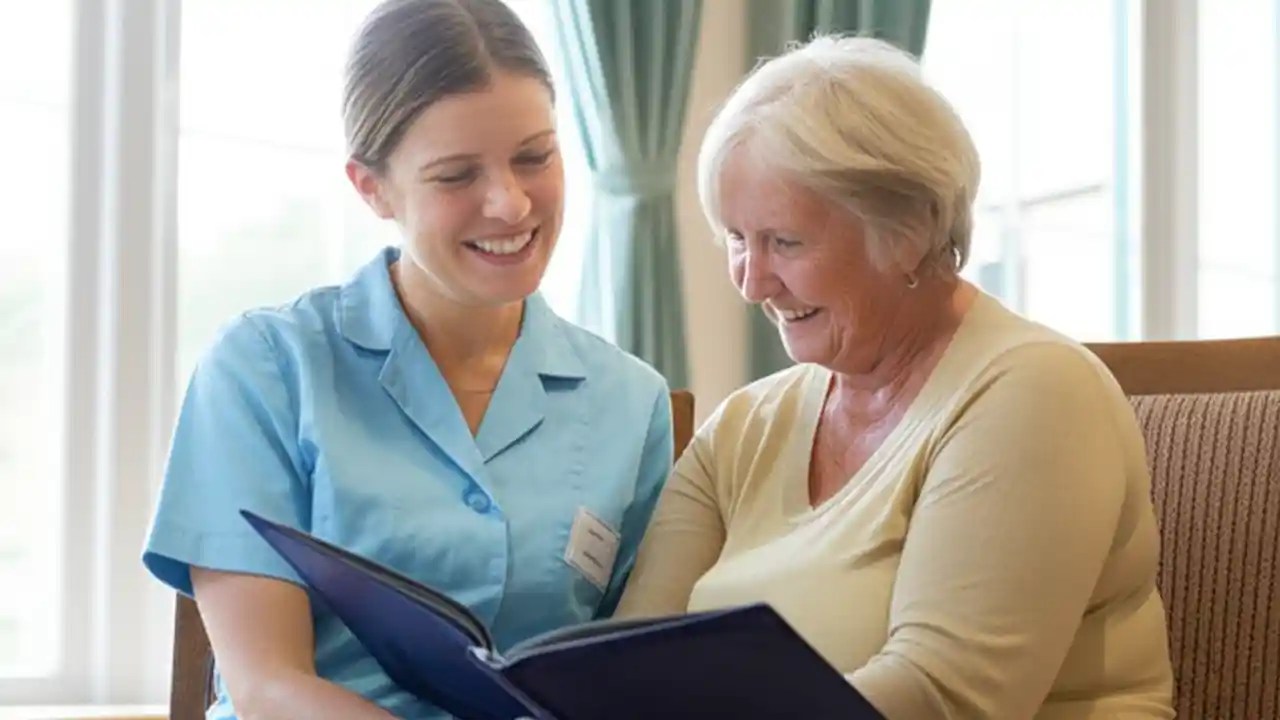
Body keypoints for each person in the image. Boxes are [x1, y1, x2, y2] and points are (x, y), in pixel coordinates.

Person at [615, 35, 1175, 719]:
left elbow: (942, 698)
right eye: (737, 238)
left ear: (908, 229)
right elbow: (623, 663)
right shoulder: (743, 429)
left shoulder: (1034, 394)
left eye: (784, 242)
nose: (751, 281)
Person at [141, 1, 674, 718]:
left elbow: (626, 678)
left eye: (533, 157)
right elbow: (269, 689)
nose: (511, 204)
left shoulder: (630, 402)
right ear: (372, 188)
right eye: (457, 176)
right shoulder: (265, 368)